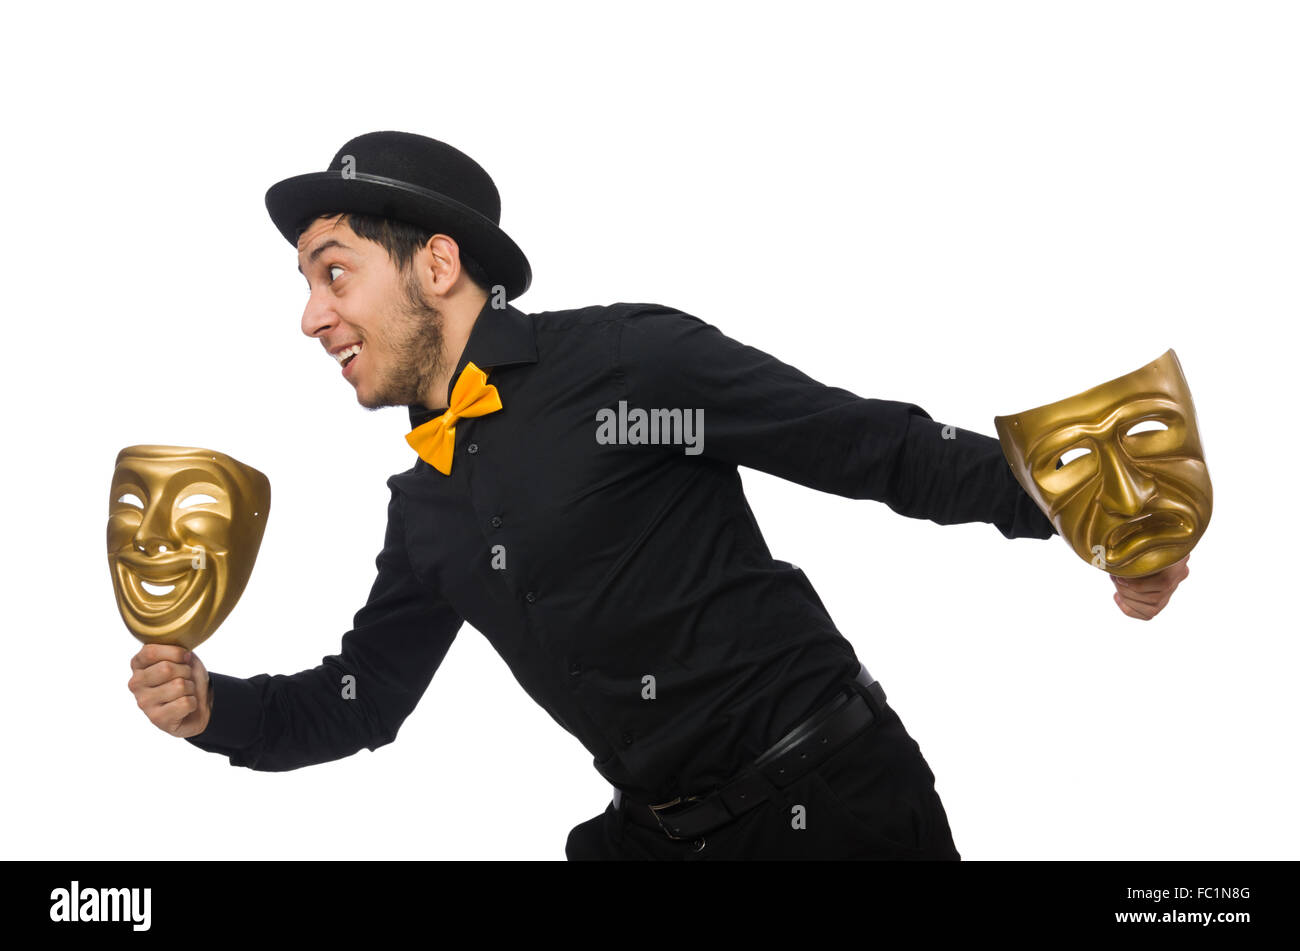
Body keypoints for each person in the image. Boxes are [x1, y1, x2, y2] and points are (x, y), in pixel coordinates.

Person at [127, 131, 1191, 860]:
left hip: (830, 808)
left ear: (436, 264)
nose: (312, 316)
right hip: (654, 833)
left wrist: (1103, 516)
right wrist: (215, 708)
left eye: (333, 272)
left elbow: (877, 450)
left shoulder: (629, 366)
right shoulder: (430, 507)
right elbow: (362, 696)